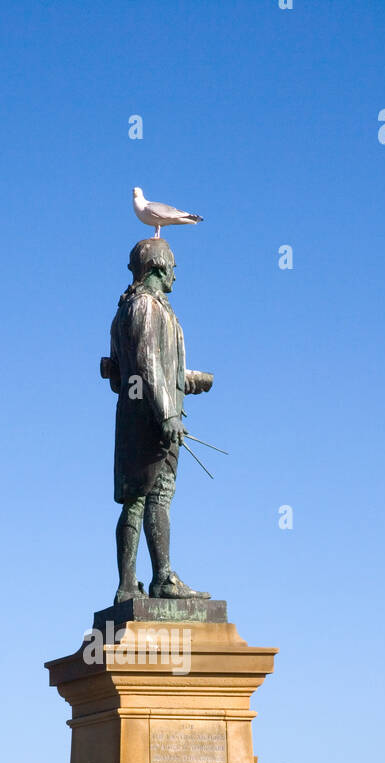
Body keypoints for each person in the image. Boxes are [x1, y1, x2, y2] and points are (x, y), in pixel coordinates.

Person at [106, 238, 213, 603]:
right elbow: (148, 362)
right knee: (152, 499)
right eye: (173, 267)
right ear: (157, 266)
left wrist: (190, 380)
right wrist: (168, 413)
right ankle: (160, 578)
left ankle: (131, 584)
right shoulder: (147, 308)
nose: (176, 275)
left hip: (139, 416)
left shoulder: (126, 311)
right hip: (152, 422)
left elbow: (122, 376)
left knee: (138, 501)